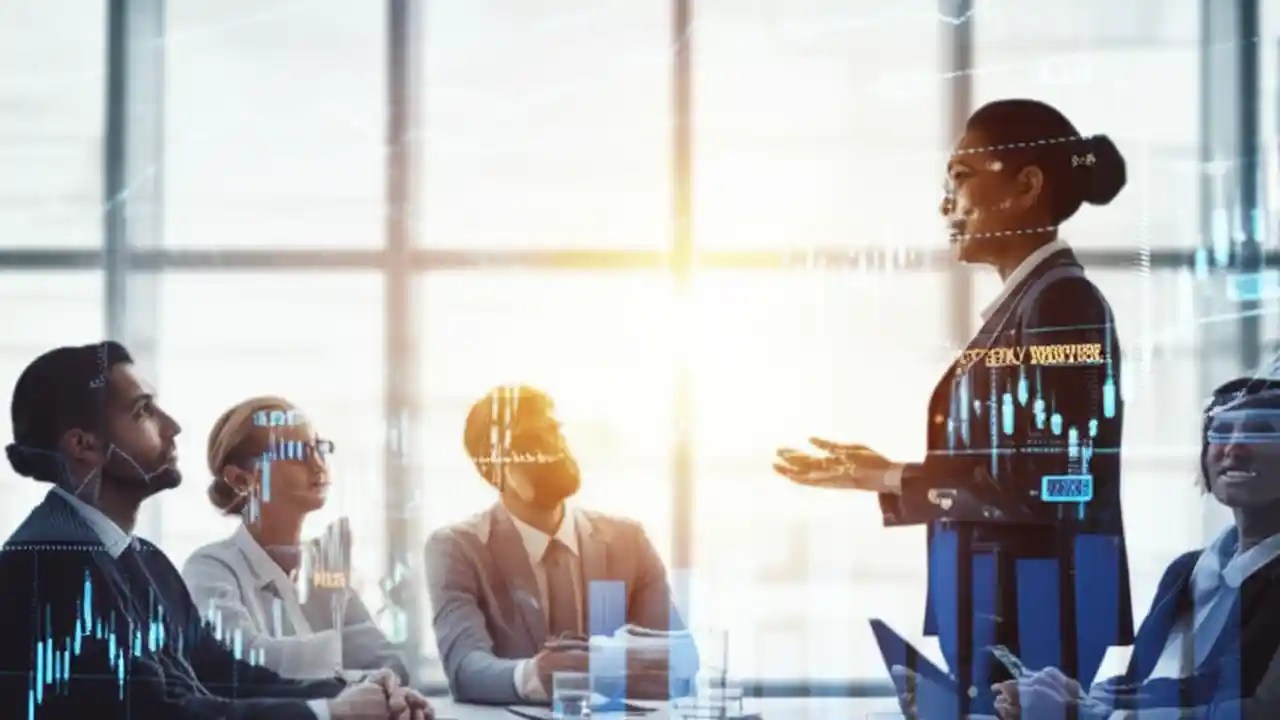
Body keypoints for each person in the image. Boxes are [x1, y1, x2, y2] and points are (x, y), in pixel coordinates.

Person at [775, 99, 1134, 715]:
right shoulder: (1030, 306)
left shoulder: (1063, 304)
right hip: (1014, 611)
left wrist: (893, 477)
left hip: (1035, 616)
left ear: (1026, 186)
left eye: (961, 177)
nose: (947, 205)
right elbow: (1020, 470)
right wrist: (883, 475)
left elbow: (1055, 483)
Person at [0, 342, 431, 720]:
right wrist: (331, 713)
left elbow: (223, 675)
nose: (172, 426)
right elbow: (153, 712)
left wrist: (356, 693)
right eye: (143, 411)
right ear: (83, 445)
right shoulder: (47, 563)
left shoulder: (146, 560)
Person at [994, 377, 1280, 719]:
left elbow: (1263, 712)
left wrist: (1089, 714)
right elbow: (1151, 683)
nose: (1233, 448)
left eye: (1261, 430)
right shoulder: (1186, 572)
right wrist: (1086, 698)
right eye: (1221, 430)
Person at [425, 385, 687, 704]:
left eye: (553, 431)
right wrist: (534, 675)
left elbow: (678, 664)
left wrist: (599, 672)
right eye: (530, 442)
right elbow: (466, 670)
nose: (553, 449)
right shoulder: (458, 549)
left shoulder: (628, 542)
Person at [182, 396, 411, 684]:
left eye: (318, 448)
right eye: (296, 452)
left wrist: (384, 683)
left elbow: (388, 663)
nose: (318, 465)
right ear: (241, 479)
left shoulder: (321, 571)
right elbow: (239, 660)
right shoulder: (210, 568)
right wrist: (347, 657)